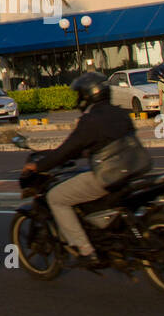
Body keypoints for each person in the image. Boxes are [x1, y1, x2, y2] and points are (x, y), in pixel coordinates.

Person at [22, 72, 146, 267]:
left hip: (109, 175)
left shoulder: (90, 121)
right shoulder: (121, 113)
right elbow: (108, 141)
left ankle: (86, 250)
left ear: (88, 95)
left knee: (56, 198)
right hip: (135, 171)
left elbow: (66, 150)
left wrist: (38, 165)